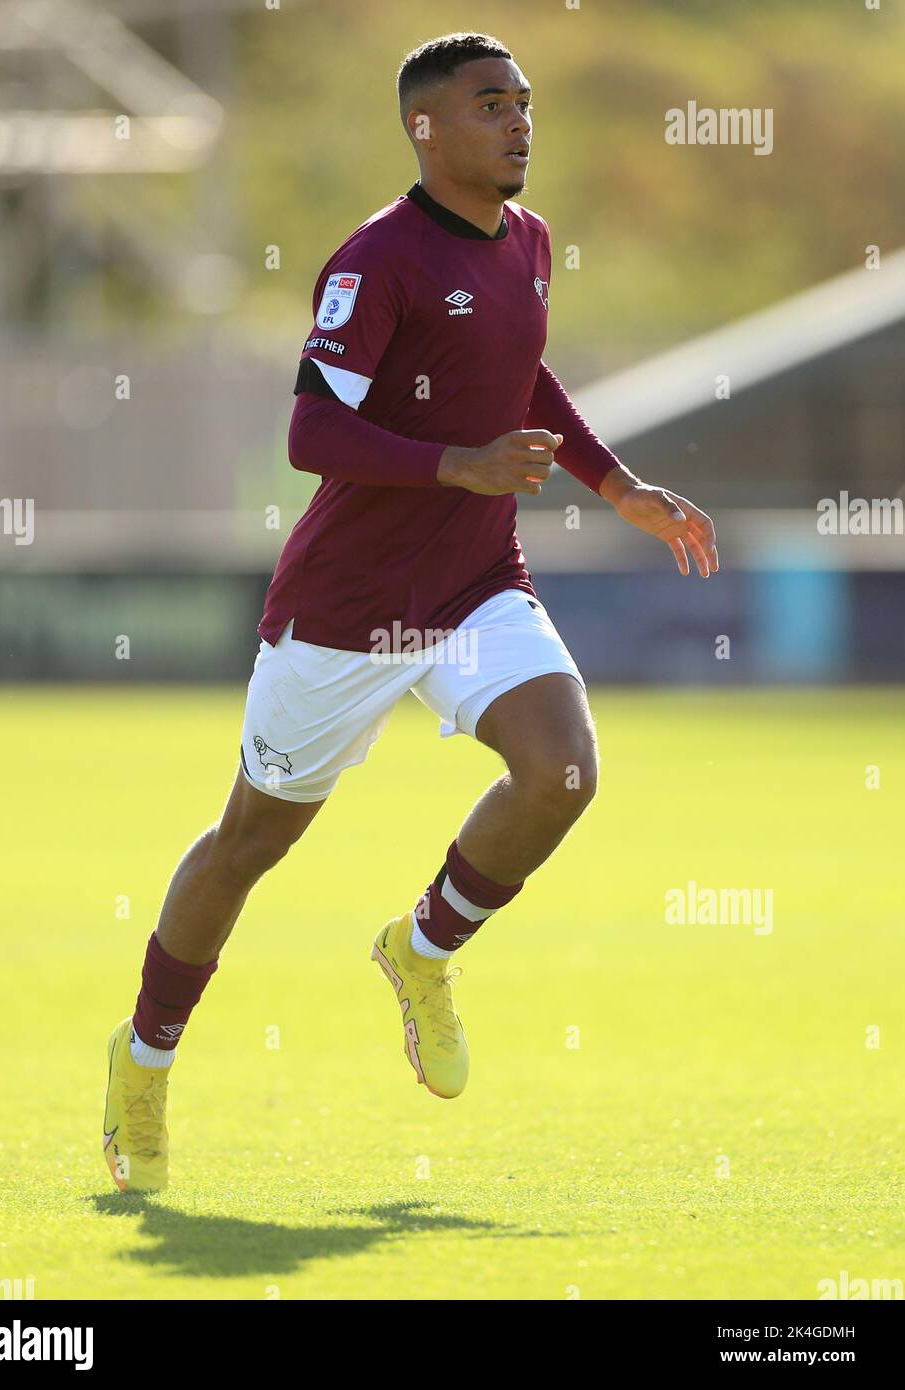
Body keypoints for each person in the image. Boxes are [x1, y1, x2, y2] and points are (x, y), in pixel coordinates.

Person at [103, 31, 718, 1192]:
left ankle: (422, 947)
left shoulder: (529, 241)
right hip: (346, 607)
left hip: (476, 582)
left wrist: (618, 485)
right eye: (492, 105)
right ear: (426, 129)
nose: (520, 122)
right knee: (250, 841)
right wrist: (458, 466)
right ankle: (144, 1057)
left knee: (564, 771)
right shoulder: (372, 263)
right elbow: (308, 434)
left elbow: (520, 372)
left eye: (525, 103)